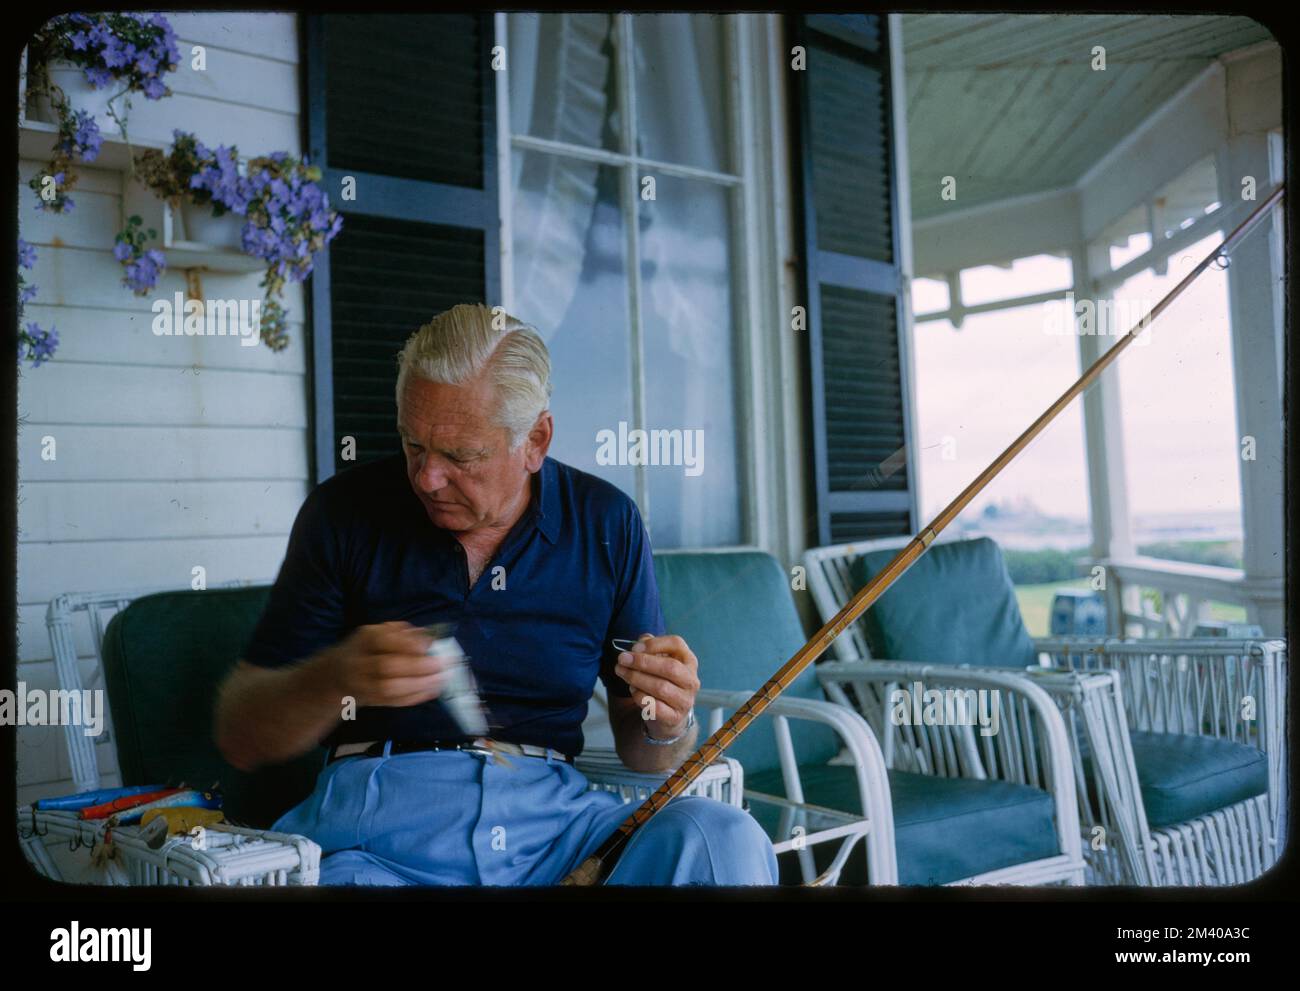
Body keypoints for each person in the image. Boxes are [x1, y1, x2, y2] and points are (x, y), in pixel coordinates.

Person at [214, 303, 777, 886]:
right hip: (380, 839)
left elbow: (646, 753)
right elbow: (240, 736)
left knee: (722, 839)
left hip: (557, 828)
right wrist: (335, 677)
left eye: (461, 456)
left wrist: (669, 722)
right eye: (413, 446)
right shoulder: (345, 513)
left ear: (535, 439)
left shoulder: (605, 522)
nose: (427, 478)